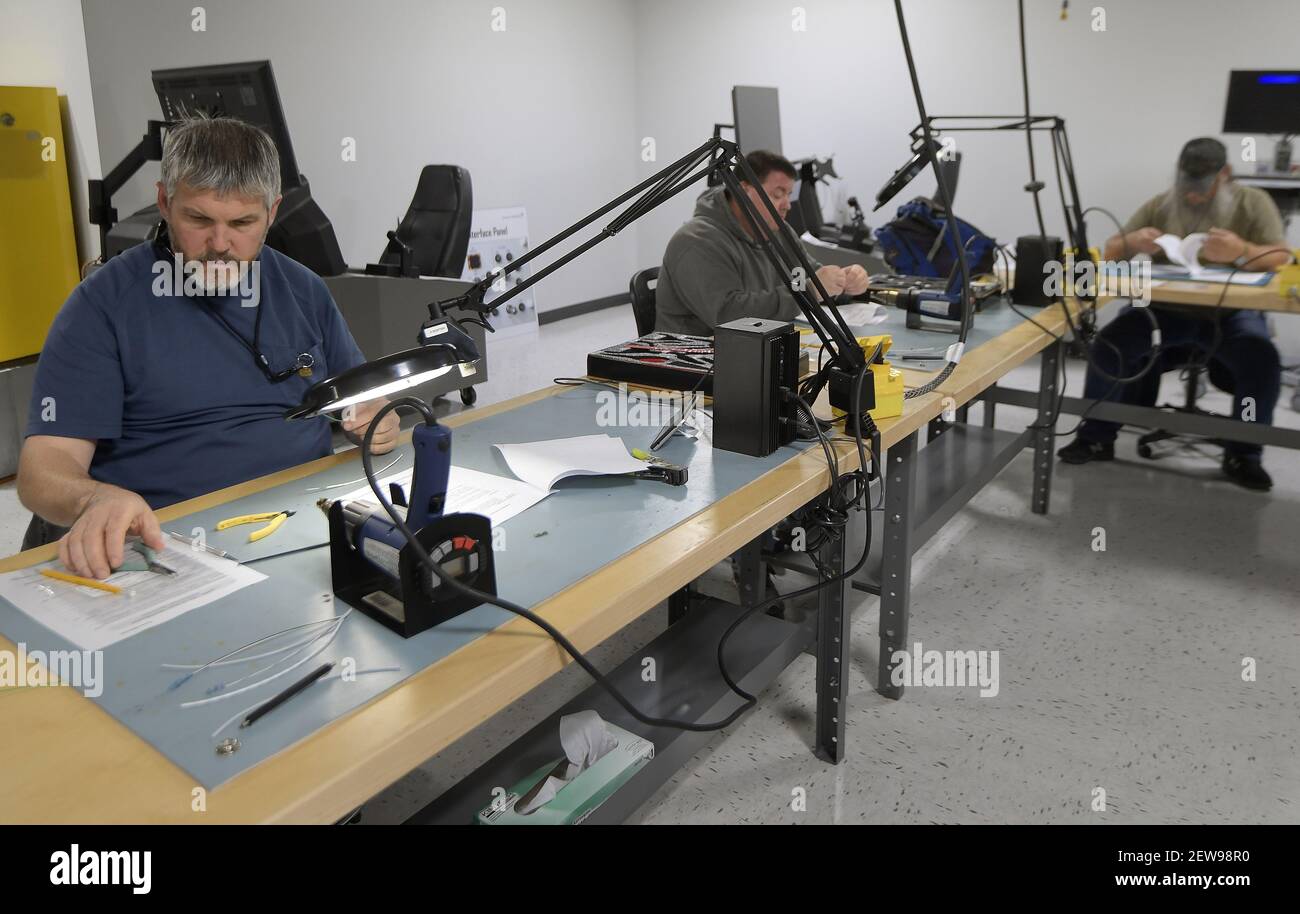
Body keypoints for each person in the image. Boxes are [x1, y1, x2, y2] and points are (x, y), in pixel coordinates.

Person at [17, 116, 398, 578]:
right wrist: (93, 496)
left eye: (242, 222)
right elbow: (44, 469)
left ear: (273, 212)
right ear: (164, 201)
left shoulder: (303, 289)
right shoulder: (103, 306)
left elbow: (358, 395)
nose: (220, 245)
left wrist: (376, 415)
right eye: (198, 219)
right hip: (163, 545)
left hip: (299, 529)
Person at [1057, 137, 1292, 491]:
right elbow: (1111, 252)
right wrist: (1132, 242)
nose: (1193, 196)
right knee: (1109, 345)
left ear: (1225, 175)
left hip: (1227, 316)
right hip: (1163, 313)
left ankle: (1245, 452)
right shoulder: (1162, 204)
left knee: (1261, 361)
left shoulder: (1252, 203)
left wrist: (1241, 249)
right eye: (1187, 186)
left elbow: (1281, 257)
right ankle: (1096, 435)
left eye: (1202, 188)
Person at [655, 150, 869, 335]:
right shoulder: (697, 241)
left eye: (789, 195)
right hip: (696, 364)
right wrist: (809, 291)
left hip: (755, 350)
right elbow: (728, 317)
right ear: (743, 190)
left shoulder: (778, 232)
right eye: (777, 194)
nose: (787, 205)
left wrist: (844, 282)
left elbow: (804, 277)